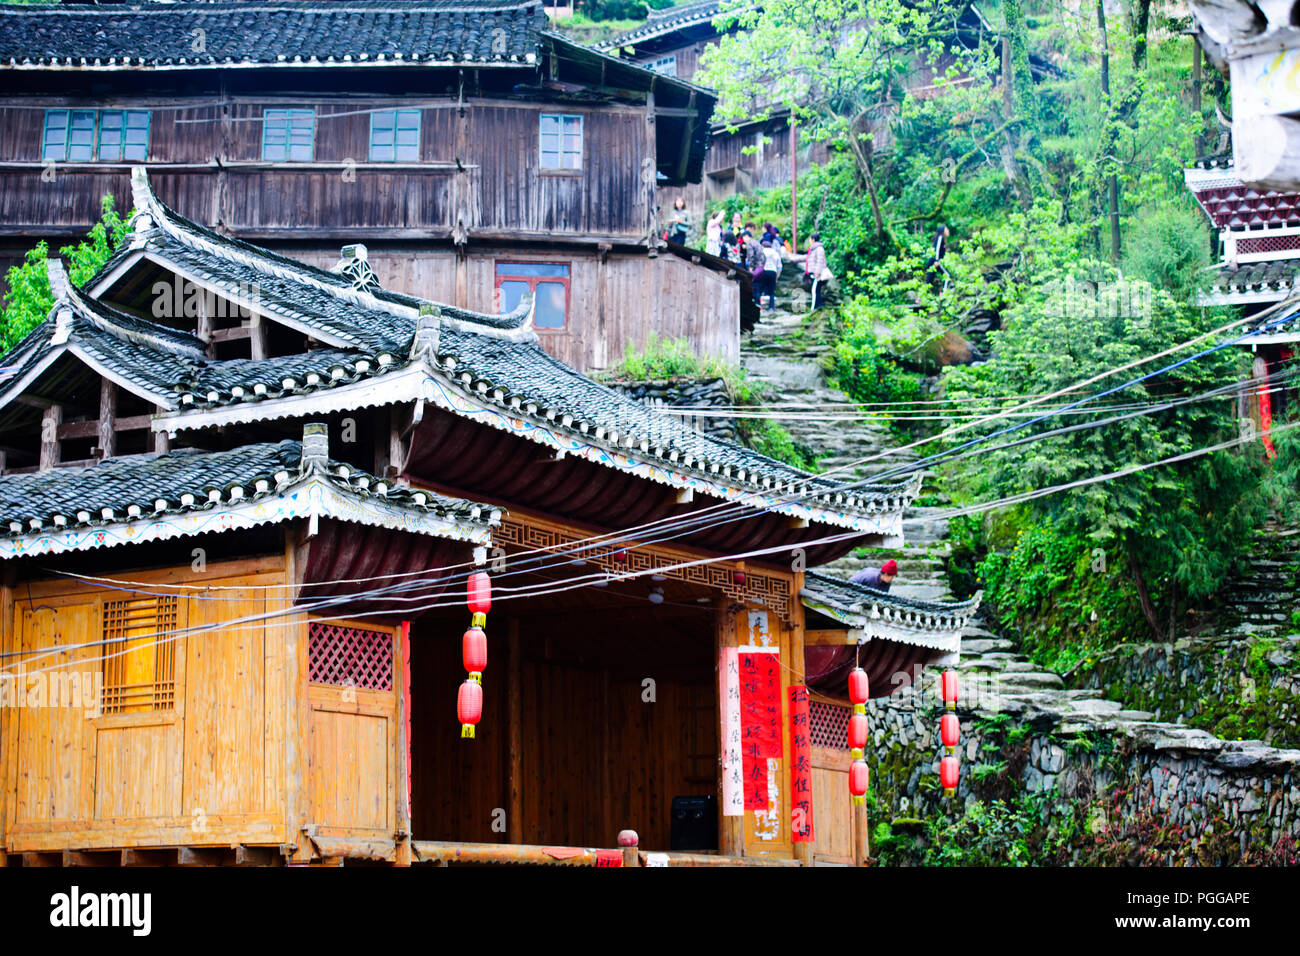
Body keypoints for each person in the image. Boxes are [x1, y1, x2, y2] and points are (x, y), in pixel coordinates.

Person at [805, 233, 830, 310]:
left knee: (815, 290)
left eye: (810, 239)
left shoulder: (819, 249)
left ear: (813, 239)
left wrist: (817, 272)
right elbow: (808, 258)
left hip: (817, 274)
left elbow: (820, 261)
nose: (809, 241)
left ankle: (814, 308)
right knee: (816, 290)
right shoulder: (814, 249)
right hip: (813, 273)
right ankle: (819, 306)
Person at [760, 238, 782, 311]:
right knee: (772, 291)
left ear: (763, 246)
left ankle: (760, 307)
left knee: (760, 290)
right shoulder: (775, 253)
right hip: (773, 272)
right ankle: (771, 307)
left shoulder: (762, 251)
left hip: (764, 271)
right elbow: (779, 266)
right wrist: (777, 277)